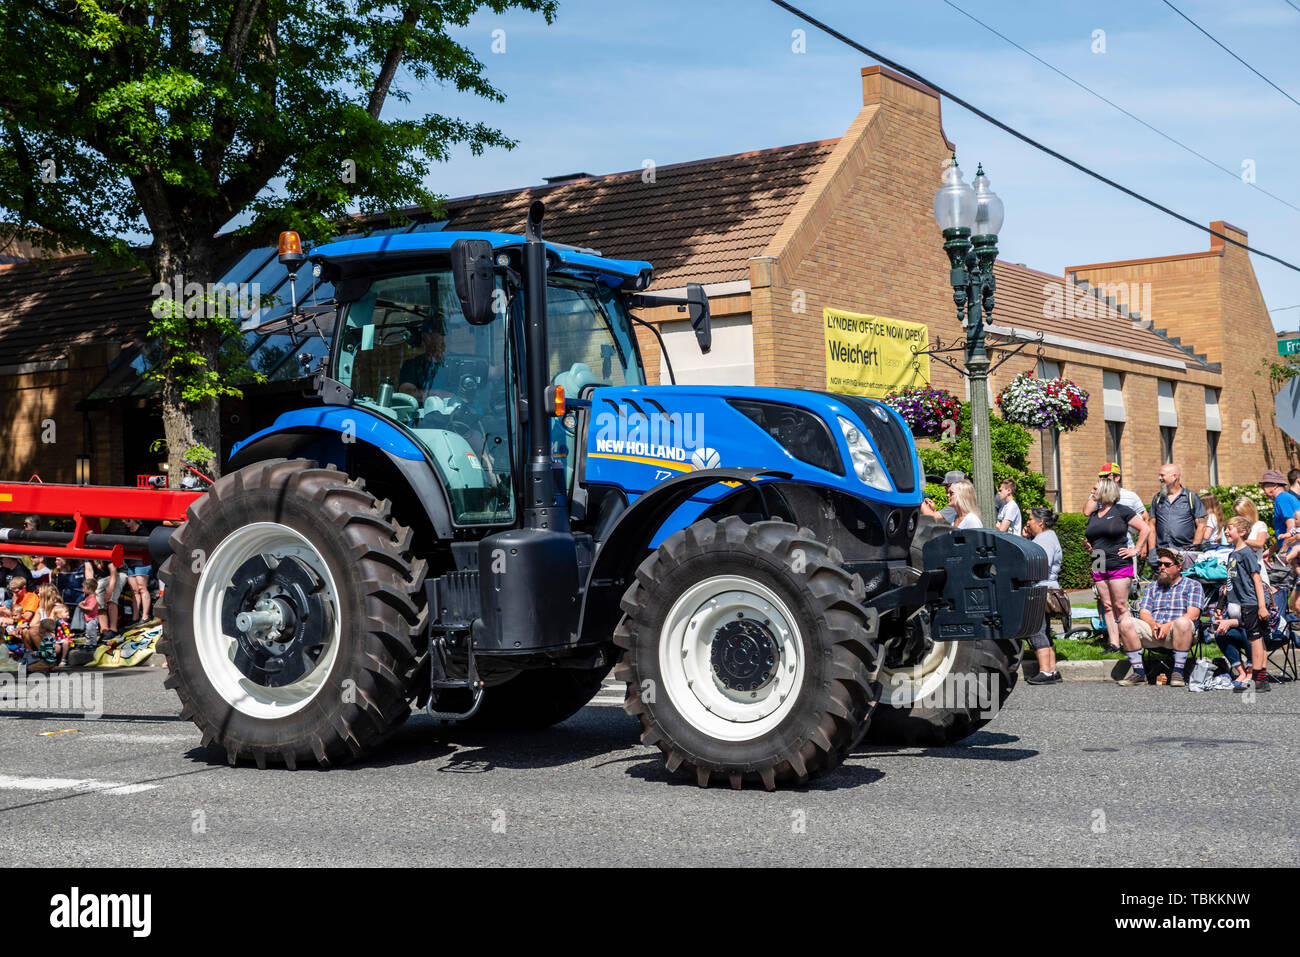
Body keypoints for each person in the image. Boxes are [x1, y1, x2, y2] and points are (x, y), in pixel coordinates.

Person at [1116, 547, 1203, 686]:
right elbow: (1144, 612)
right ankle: (1139, 673)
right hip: (1154, 632)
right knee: (1125, 622)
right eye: (1160, 564)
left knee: (1183, 622)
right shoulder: (1152, 586)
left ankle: (1178, 673)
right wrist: (1153, 625)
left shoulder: (1193, 585)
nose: (1161, 568)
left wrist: (1167, 626)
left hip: (1178, 633)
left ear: (1179, 567)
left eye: (1167, 565)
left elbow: (1193, 614)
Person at [1085, 476, 1151, 653]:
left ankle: (1129, 643)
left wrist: (1135, 550)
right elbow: (1095, 538)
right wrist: (1089, 547)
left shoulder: (1122, 511)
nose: (1091, 492)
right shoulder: (1094, 515)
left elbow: (1145, 528)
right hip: (1098, 562)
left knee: (1120, 605)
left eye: (1095, 489)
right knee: (1106, 604)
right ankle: (1114, 644)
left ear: (1105, 491)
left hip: (1118, 562)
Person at [1218, 515, 1270, 692]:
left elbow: (1257, 580)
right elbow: (1229, 583)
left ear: (1242, 532)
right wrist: (1220, 605)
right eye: (1225, 528)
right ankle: (1259, 679)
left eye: (1229, 528)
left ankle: (1257, 679)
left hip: (1251, 603)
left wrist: (1261, 606)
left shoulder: (1247, 553)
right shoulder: (1233, 554)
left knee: (1255, 640)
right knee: (1254, 639)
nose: (1226, 531)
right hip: (1240, 603)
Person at [1023, 507, 1063, 684]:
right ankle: (1052, 670)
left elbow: (1041, 567)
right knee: (1044, 630)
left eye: (1030, 519)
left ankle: (1045, 671)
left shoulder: (1044, 540)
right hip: (1046, 588)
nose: (1028, 522)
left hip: (1040, 588)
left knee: (1035, 629)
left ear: (1040, 522)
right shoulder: (1046, 537)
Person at [1084, 463, 1149, 568]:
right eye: (1101, 477)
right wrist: (1095, 493)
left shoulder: (1130, 497)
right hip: (1099, 554)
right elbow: (1087, 512)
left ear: (1117, 477)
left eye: (1105, 476)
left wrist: (1141, 547)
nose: (1102, 479)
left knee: (1120, 580)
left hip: (1122, 551)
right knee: (1099, 582)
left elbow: (1145, 520)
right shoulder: (1096, 495)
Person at [1146, 463, 1205, 557]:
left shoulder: (1191, 497)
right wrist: (1152, 550)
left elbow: (1201, 524)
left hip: (1184, 553)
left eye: (1162, 475)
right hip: (1162, 553)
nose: (1159, 478)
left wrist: (1192, 551)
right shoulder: (1157, 498)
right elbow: (1151, 525)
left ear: (1174, 477)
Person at [397, 315, 448, 400]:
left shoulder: (457, 363)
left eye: (445, 334)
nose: (445, 338)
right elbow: (406, 394)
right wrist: (437, 394)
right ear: (426, 337)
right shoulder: (412, 365)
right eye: (441, 333)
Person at [121, 519, 157, 624]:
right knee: (134, 591)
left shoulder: (143, 531)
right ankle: (135, 618)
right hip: (131, 562)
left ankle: (145, 616)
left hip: (142, 562)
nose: (124, 523)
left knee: (142, 588)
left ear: (133, 520)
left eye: (127, 520)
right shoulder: (127, 531)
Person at [85, 557, 122, 639]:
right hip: (101, 578)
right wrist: (91, 589)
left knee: (112, 600)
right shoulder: (88, 552)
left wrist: (110, 589)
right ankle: (105, 632)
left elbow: (113, 571)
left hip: (116, 574)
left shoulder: (103, 548)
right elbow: (88, 571)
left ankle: (113, 630)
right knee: (97, 601)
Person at [1260, 469, 1299, 543]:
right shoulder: (1286, 497)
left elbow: (1291, 527)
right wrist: (1272, 550)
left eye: (1264, 485)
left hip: (1292, 551)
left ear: (1275, 486)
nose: (1262, 488)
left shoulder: (1281, 498)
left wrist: (1283, 551)